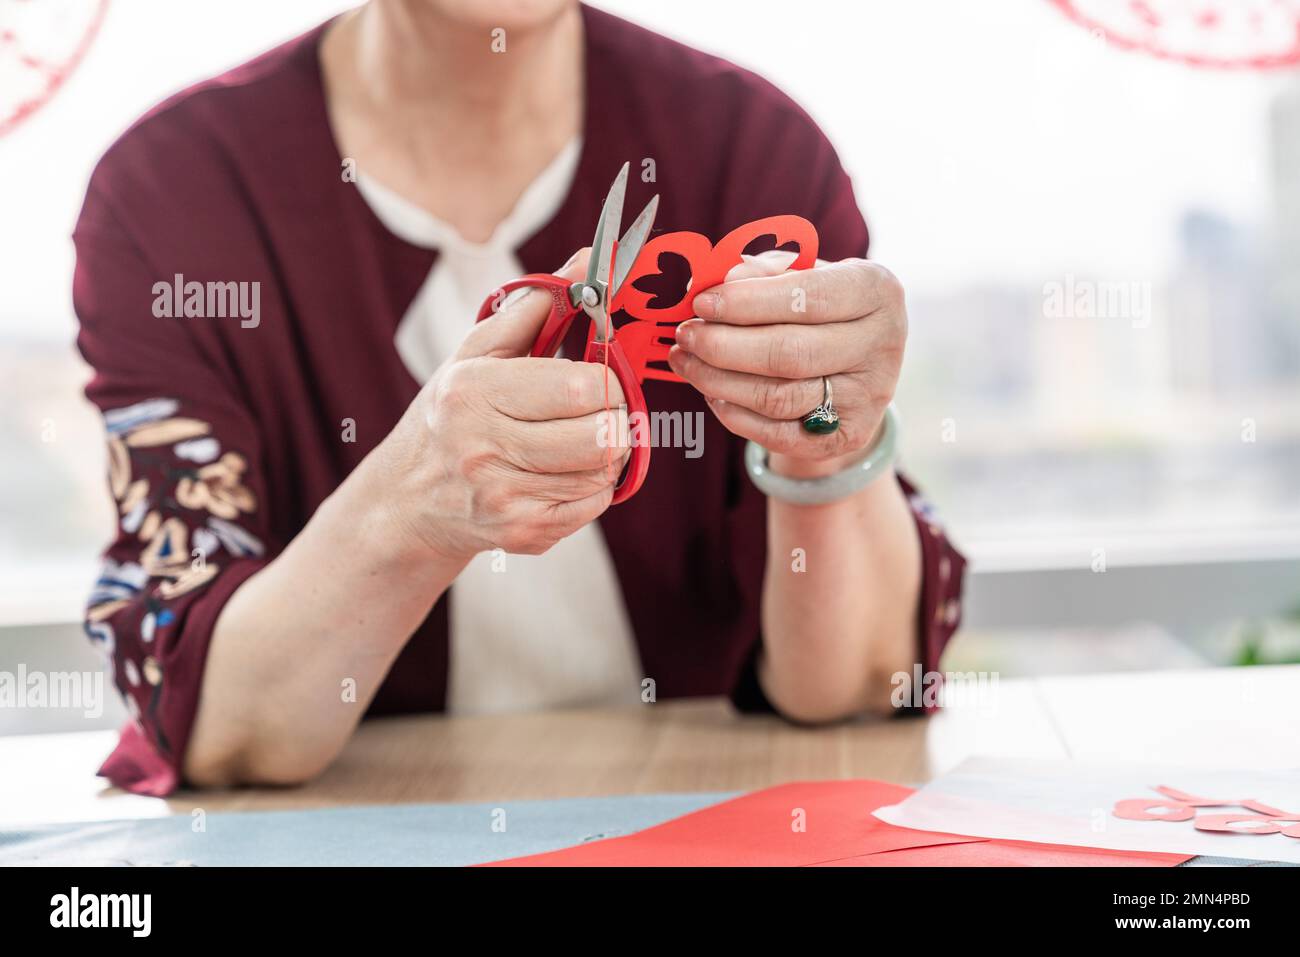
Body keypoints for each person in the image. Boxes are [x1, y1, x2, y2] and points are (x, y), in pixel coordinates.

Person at [74, 1, 966, 795]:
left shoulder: (753, 144)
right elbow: (226, 731)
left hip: (714, 814)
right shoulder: (171, 198)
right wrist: (409, 509)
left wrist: (827, 444)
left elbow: (852, 690)